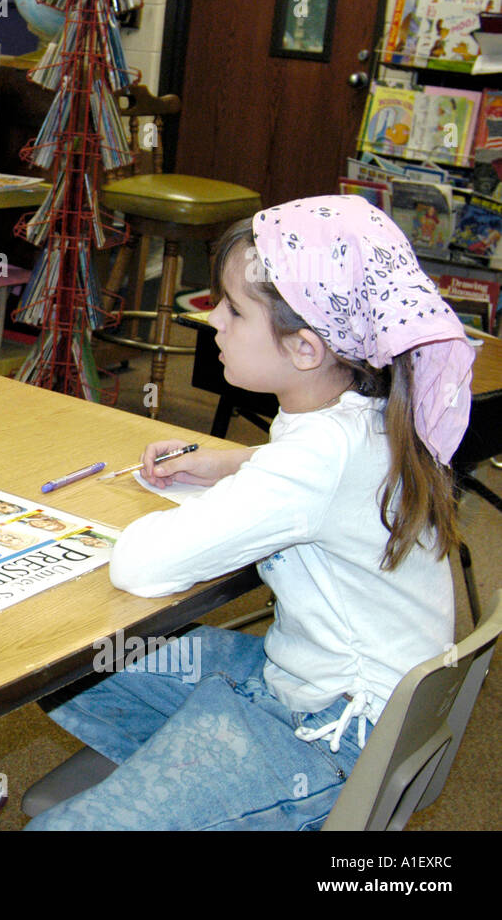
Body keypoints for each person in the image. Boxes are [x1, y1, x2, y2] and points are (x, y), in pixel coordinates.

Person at [28, 196, 472, 831]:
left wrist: (245, 482)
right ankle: (202, 790)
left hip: (327, 734)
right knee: (70, 664)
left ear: (306, 348)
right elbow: (320, 481)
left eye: (234, 310)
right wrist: (237, 465)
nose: (214, 322)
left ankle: (221, 795)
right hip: (333, 692)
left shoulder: (318, 456)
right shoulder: (366, 414)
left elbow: (140, 565)